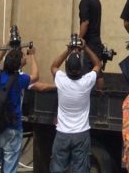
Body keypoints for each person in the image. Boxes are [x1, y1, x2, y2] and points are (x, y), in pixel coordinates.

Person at [29, 41, 102, 173]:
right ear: (81, 68)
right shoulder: (87, 82)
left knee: (58, 168)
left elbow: (54, 66)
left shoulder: (61, 80)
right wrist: (86, 47)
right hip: (81, 134)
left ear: (67, 68)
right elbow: (98, 64)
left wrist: (68, 50)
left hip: (62, 134)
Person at [0, 45, 39, 173]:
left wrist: (8, 44)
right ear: (19, 65)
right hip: (12, 129)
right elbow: (35, 76)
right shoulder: (20, 79)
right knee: (10, 169)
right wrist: (32, 55)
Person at [71, 0, 104, 64]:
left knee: (86, 73)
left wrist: (79, 42)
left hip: (89, 44)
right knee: (97, 71)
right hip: (97, 43)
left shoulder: (84, 2)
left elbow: (85, 22)